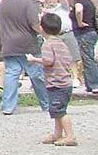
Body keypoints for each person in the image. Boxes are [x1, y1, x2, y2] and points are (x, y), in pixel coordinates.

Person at [0, 0, 49, 114]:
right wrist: (47, 36)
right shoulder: (28, 4)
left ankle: (8, 107)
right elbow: (35, 24)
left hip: (9, 45)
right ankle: (46, 105)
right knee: (36, 75)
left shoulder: (2, 4)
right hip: (28, 45)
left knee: (11, 75)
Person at [27, 12, 77, 147]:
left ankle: (70, 135)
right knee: (56, 110)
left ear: (42, 28)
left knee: (60, 111)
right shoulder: (62, 43)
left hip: (57, 83)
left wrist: (34, 59)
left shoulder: (47, 44)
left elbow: (48, 61)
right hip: (65, 82)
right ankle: (57, 133)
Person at [40, 0, 83, 89]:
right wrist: (44, 4)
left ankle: (75, 78)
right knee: (56, 58)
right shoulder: (47, 11)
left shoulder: (63, 7)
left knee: (73, 56)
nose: (51, 0)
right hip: (54, 35)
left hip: (66, 33)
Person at [70, 0, 98, 94]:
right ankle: (89, 84)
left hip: (84, 33)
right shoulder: (90, 2)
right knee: (86, 58)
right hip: (92, 32)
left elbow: (79, 10)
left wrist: (80, 23)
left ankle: (96, 84)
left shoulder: (78, 1)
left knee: (88, 59)